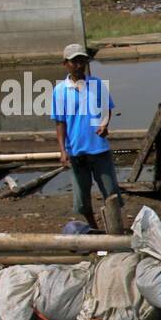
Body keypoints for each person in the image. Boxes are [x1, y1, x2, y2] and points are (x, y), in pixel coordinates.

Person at [51, 43, 121, 232]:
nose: (79, 65)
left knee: (110, 191)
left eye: (82, 60)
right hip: (76, 151)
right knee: (82, 196)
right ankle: (94, 228)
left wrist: (105, 124)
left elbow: (107, 109)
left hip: (98, 149)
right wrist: (63, 151)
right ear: (65, 64)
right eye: (75, 62)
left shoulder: (97, 85)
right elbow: (60, 123)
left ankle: (115, 228)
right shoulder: (59, 91)